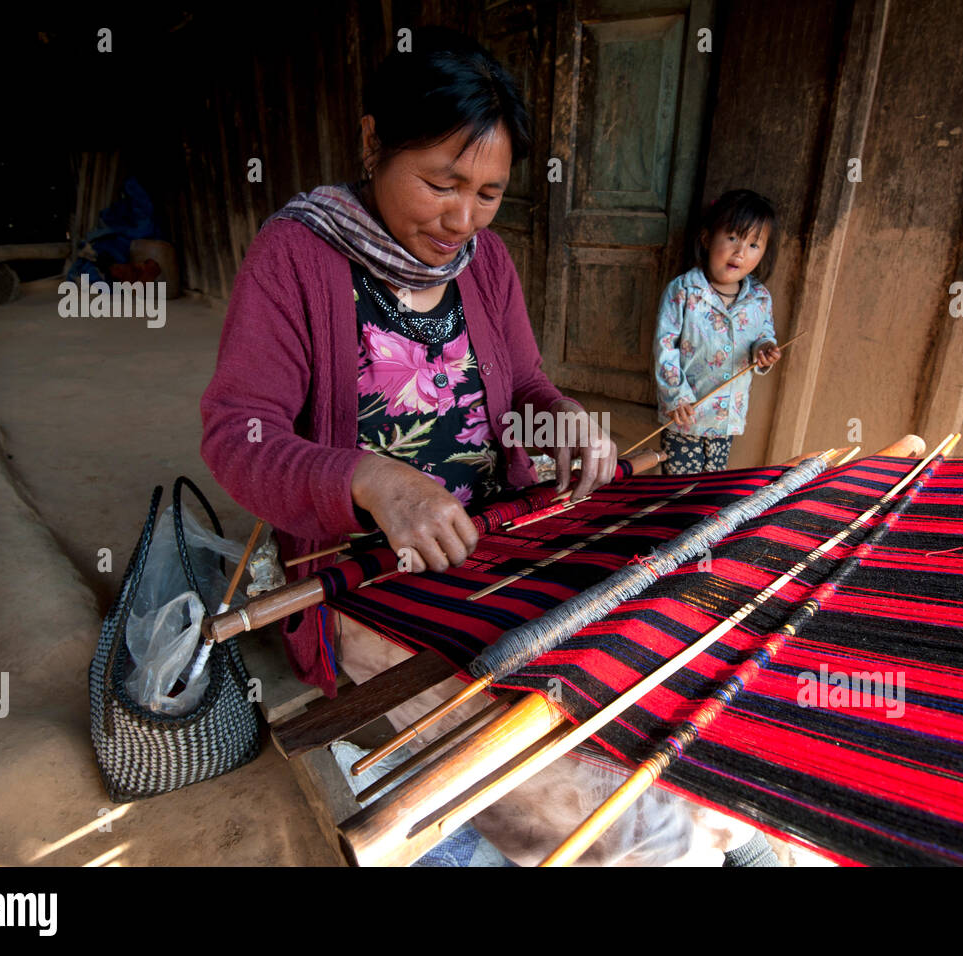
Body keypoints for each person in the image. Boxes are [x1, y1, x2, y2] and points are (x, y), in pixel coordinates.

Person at [201, 28, 774, 867]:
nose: (461, 218)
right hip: (371, 578)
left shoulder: (486, 264)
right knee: (552, 761)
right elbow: (236, 435)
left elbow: (527, 388)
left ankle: (730, 814)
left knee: (661, 640)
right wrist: (366, 477)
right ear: (371, 143)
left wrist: (563, 416)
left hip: (503, 535)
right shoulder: (295, 258)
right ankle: (666, 846)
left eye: (489, 194)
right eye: (440, 183)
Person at [653, 190, 782, 475]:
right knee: (678, 495)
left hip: (726, 421)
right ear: (707, 238)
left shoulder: (759, 299)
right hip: (685, 416)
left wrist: (765, 349)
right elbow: (665, 346)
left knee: (710, 492)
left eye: (753, 244)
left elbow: (764, 334)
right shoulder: (684, 290)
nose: (740, 252)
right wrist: (676, 396)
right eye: (733, 237)